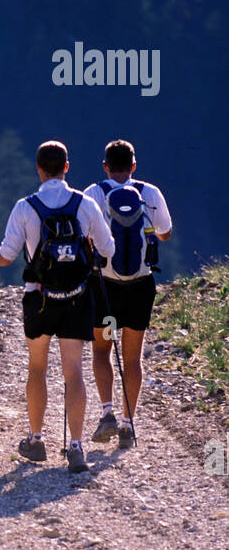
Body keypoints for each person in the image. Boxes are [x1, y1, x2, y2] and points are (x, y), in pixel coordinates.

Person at [0, 140, 115, 473]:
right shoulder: (84, 204)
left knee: (37, 368)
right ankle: (75, 446)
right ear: (66, 167)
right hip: (77, 296)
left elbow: (7, 256)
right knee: (74, 371)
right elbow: (108, 249)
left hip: (39, 298)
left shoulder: (25, 207)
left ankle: (36, 439)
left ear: (38, 169)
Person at [84, 139, 173, 449]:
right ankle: (127, 424)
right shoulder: (150, 193)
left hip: (106, 286)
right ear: (134, 165)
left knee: (102, 350)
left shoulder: (93, 193)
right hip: (140, 285)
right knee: (133, 357)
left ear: (105, 165)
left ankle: (106, 412)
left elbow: (83, 236)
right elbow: (165, 232)